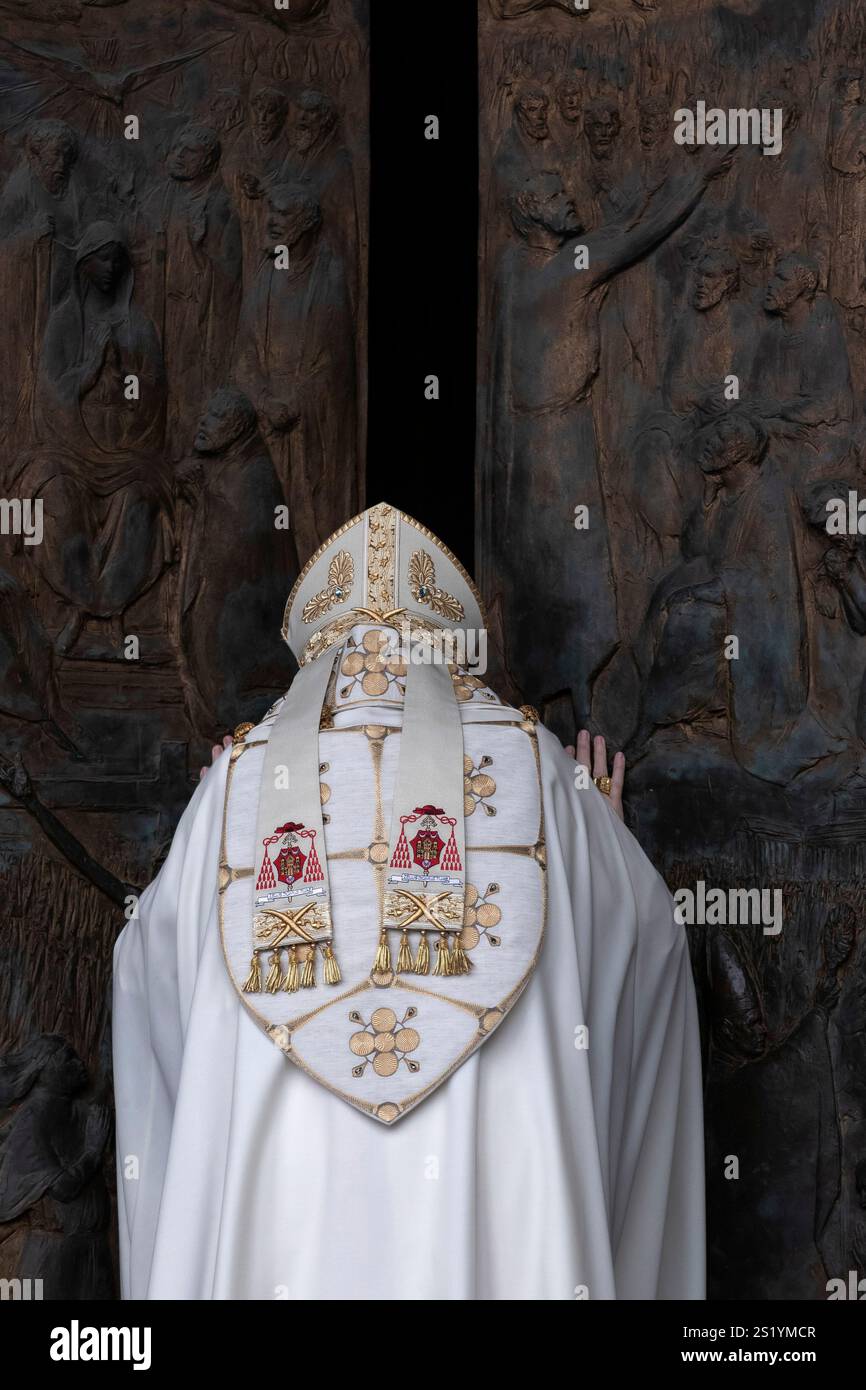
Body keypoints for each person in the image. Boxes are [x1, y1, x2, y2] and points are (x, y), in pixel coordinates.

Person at [113, 502, 704, 1301]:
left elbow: (147, 966)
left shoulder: (238, 782)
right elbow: (651, 941)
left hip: (284, 1217)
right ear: (451, 644)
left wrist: (218, 820)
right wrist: (606, 841)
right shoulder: (549, 775)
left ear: (317, 655)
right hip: (502, 1203)